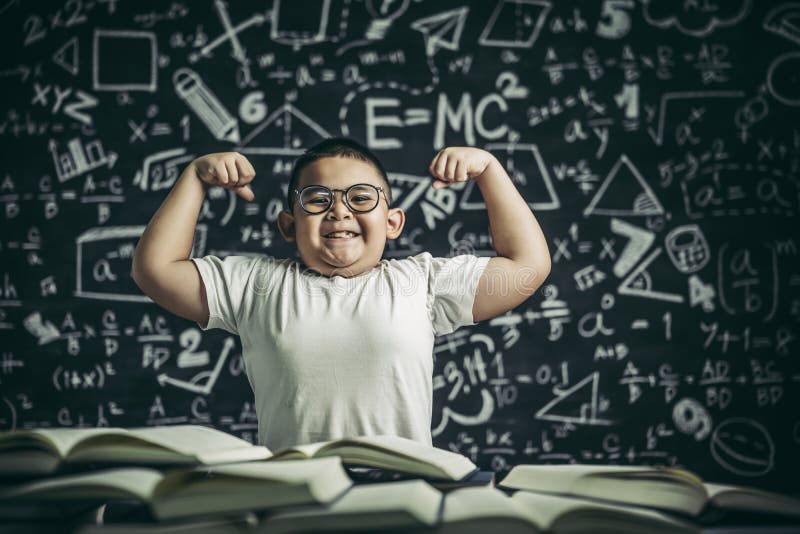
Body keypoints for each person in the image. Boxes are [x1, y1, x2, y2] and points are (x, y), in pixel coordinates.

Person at [131, 138, 551, 451]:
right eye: (317, 199)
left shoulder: (421, 282)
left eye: (361, 198)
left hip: (404, 495)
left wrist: (490, 170)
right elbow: (155, 270)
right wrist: (195, 178)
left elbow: (527, 267)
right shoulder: (257, 285)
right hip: (292, 499)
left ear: (392, 222)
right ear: (288, 225)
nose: (340, 210)